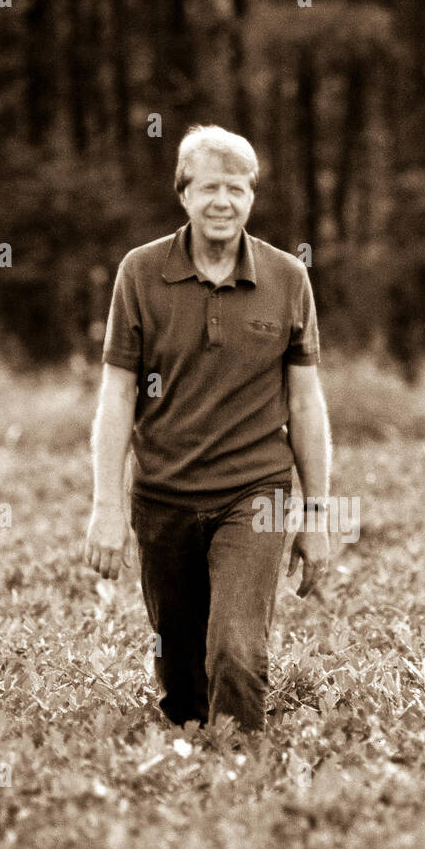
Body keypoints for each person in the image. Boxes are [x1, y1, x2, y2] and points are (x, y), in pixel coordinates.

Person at [85, 124, 331, 732]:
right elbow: (117, 395)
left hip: (254, 492)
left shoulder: (287, 278)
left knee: (237, 650)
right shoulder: (139, 274)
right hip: (162, 496)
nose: (223, 202)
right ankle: (192, 784)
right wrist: (105, 506)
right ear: (184, 195)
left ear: (252, 196)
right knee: (181, 672)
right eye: (209, 187)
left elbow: (305, 403)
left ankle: (243, 784)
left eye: (237, 189)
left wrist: (319, 514)